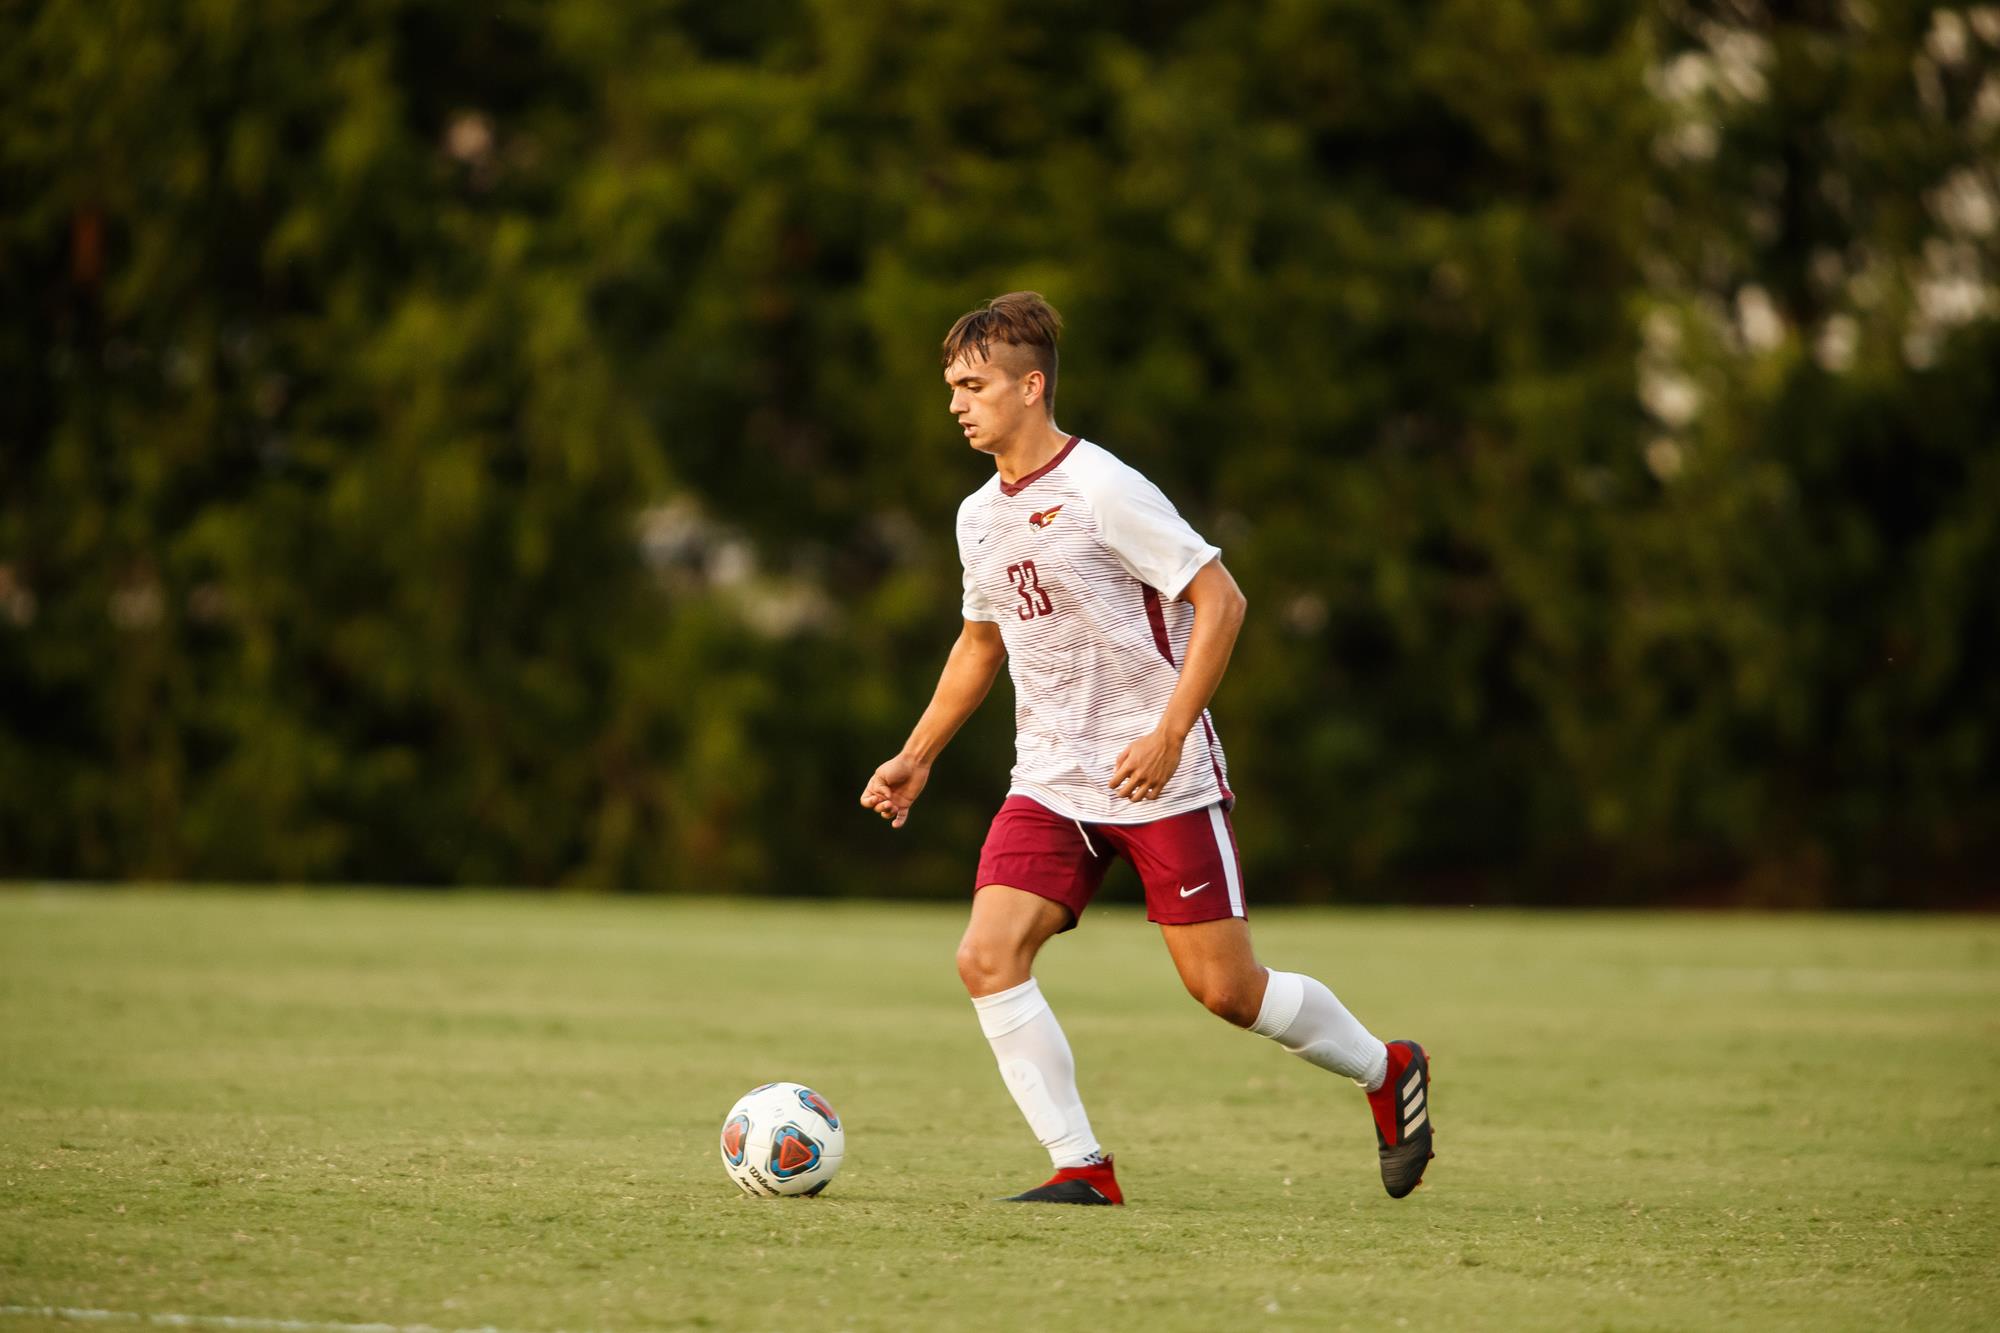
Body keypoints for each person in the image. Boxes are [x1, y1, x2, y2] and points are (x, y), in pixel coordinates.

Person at [859, 292, 1433, 1204]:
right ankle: (1082, 1168)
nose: (958, 404)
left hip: (1159, 777)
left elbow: (1224, 599)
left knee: (1227, 991)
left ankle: (1386, 1065)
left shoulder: (1104, 489)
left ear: (1031, 386)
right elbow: (981, 641)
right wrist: (917, 753)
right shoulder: (977, 515)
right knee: (986, 956)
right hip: (1050, 779)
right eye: (952, 388)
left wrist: (1169, 732)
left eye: (975, 385)